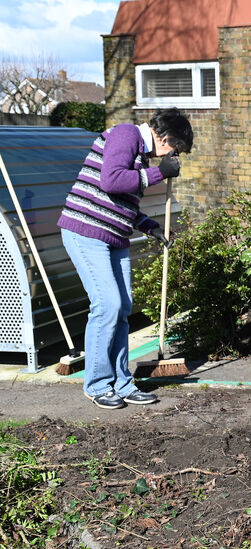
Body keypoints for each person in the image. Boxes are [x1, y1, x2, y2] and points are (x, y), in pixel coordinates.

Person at [58, 108, 193, 409]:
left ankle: (121, 383)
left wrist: (150, 226)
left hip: (113, 237)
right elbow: (112, 181)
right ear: (166, 137)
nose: (171, 156)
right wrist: (160, 173)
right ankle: (97, 385)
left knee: (122, 309)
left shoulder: (141, 156)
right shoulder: (126, 134)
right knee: (107, 305)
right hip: (86, 233)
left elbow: (121, 203)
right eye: (176, 149)